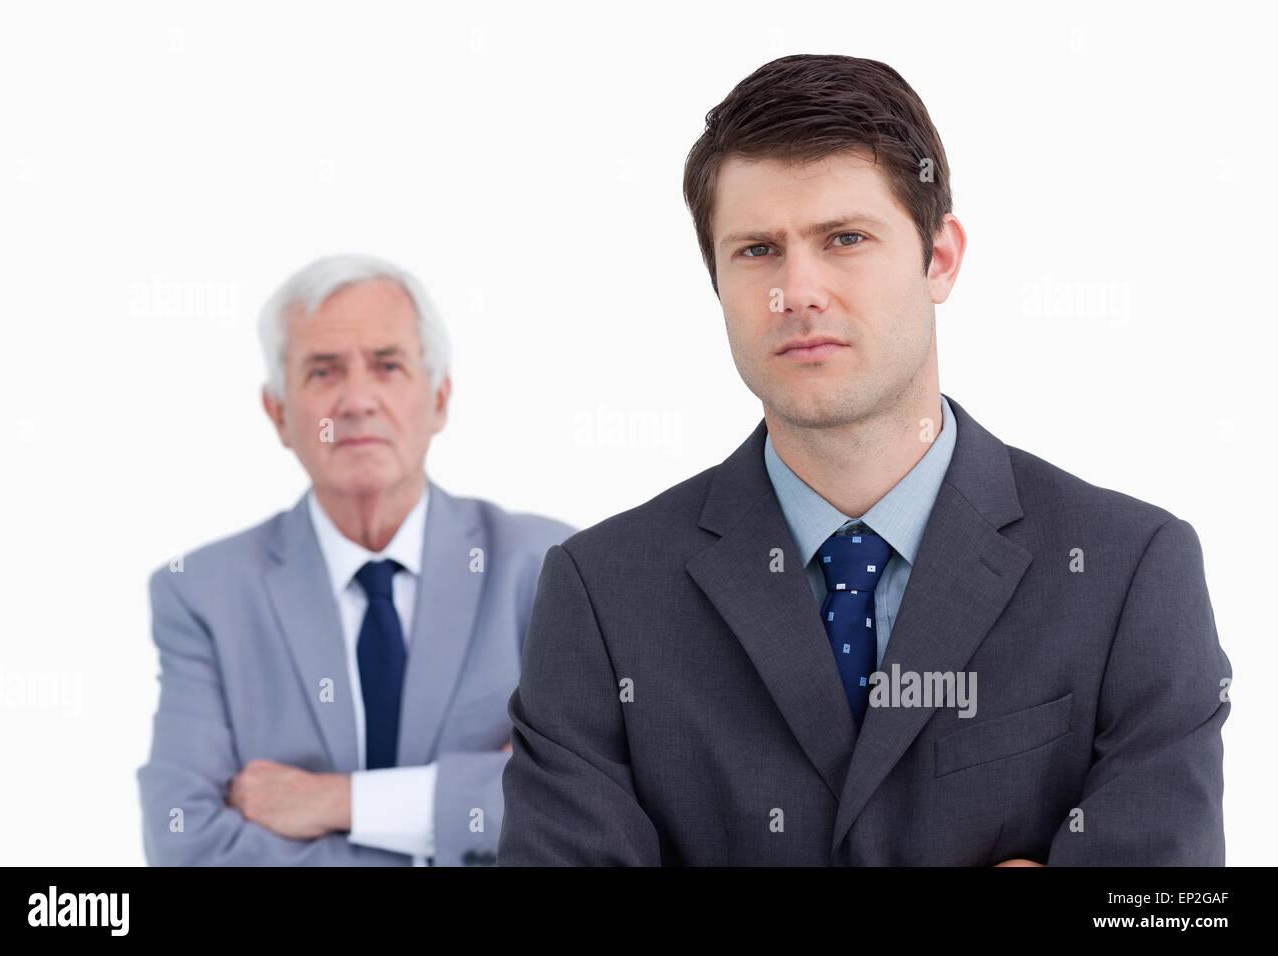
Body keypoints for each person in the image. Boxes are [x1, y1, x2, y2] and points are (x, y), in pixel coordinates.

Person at [498, 54, 1230, 865]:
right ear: (716, 281)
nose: (797, 290)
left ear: (940, 258)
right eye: (756, 251)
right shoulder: (602, 593)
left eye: (845, 238)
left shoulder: (1130, 571)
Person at [138, 253, 574, 865]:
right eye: (323, 371)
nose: (357, 400)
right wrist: (454, 806)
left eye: (388, 365)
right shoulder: (202, 595)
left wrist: (341, 802)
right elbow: (185, 841)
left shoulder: (548, 568)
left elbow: (580, 805)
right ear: (279, 414)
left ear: (440, 398)